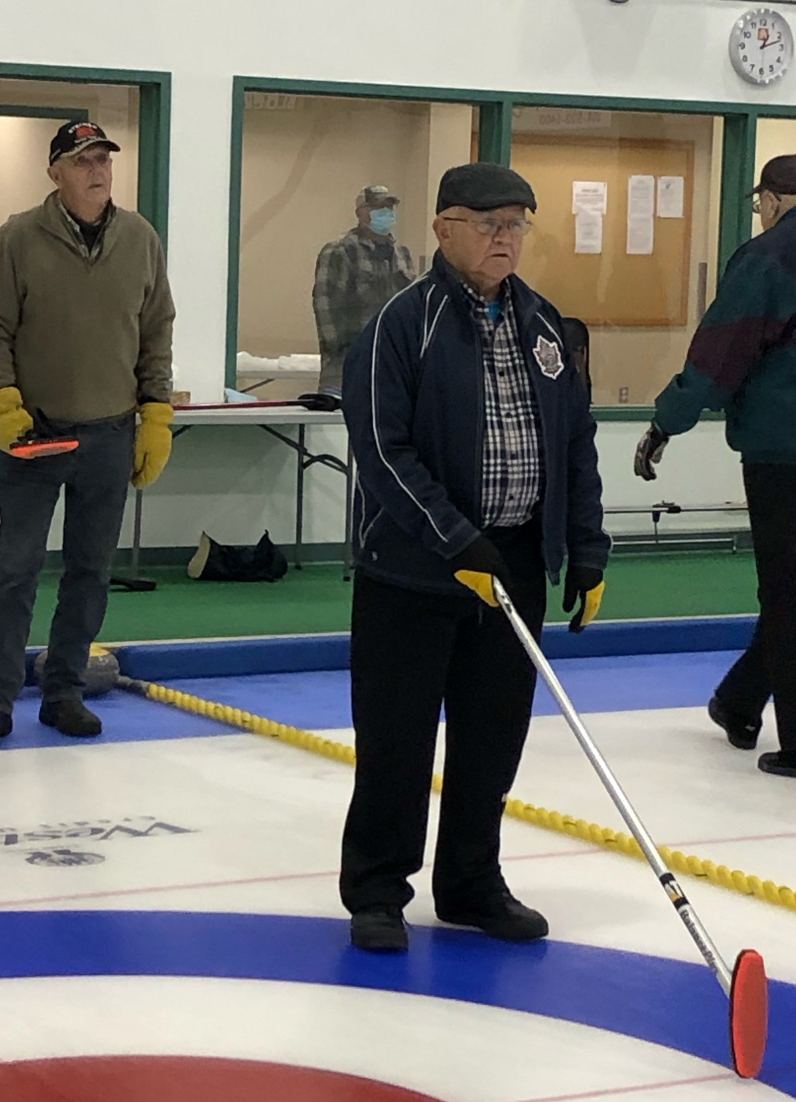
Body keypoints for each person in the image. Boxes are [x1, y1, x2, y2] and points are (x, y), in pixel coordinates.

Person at [340, 162, 609, 951]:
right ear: (443, 229)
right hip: (414, 571)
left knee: (493, 740)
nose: (504, 237)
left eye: (517, 224)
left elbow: (574, 444)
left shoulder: (548, 326)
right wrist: (455, 539)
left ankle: (470, 883)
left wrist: (585, 552)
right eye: (487, 223)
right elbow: (383, 452)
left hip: (516, 566)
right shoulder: (401, 323)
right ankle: (379, 890)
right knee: (397, 740)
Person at [0, 120, 176, 749]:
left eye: (104, 159)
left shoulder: (140, 238)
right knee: (15, 570)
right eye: (83, 161)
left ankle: (63, 692)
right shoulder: (21, 236)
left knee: (91, 571)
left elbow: (156, 329)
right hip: (35, 434)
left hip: (110, 433)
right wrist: (3, 401)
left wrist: (154, 413)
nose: (98, 171)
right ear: (55, 172)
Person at [634, 153, 796, 780]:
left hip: (781, 452)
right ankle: (738, 700)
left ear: (778, 200)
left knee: (785, 590)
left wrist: (664, 423)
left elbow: (720, 355)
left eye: (760, 203)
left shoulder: (767, 259)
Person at [312, 185, 415, 398]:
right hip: (347, 367)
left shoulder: (402, 254)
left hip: (392, 365)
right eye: (378, 208)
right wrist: (341, 354)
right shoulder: (340, 251)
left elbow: (410, 306)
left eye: (389, 209)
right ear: (360, 212)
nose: (385, 214)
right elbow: (325, 309)